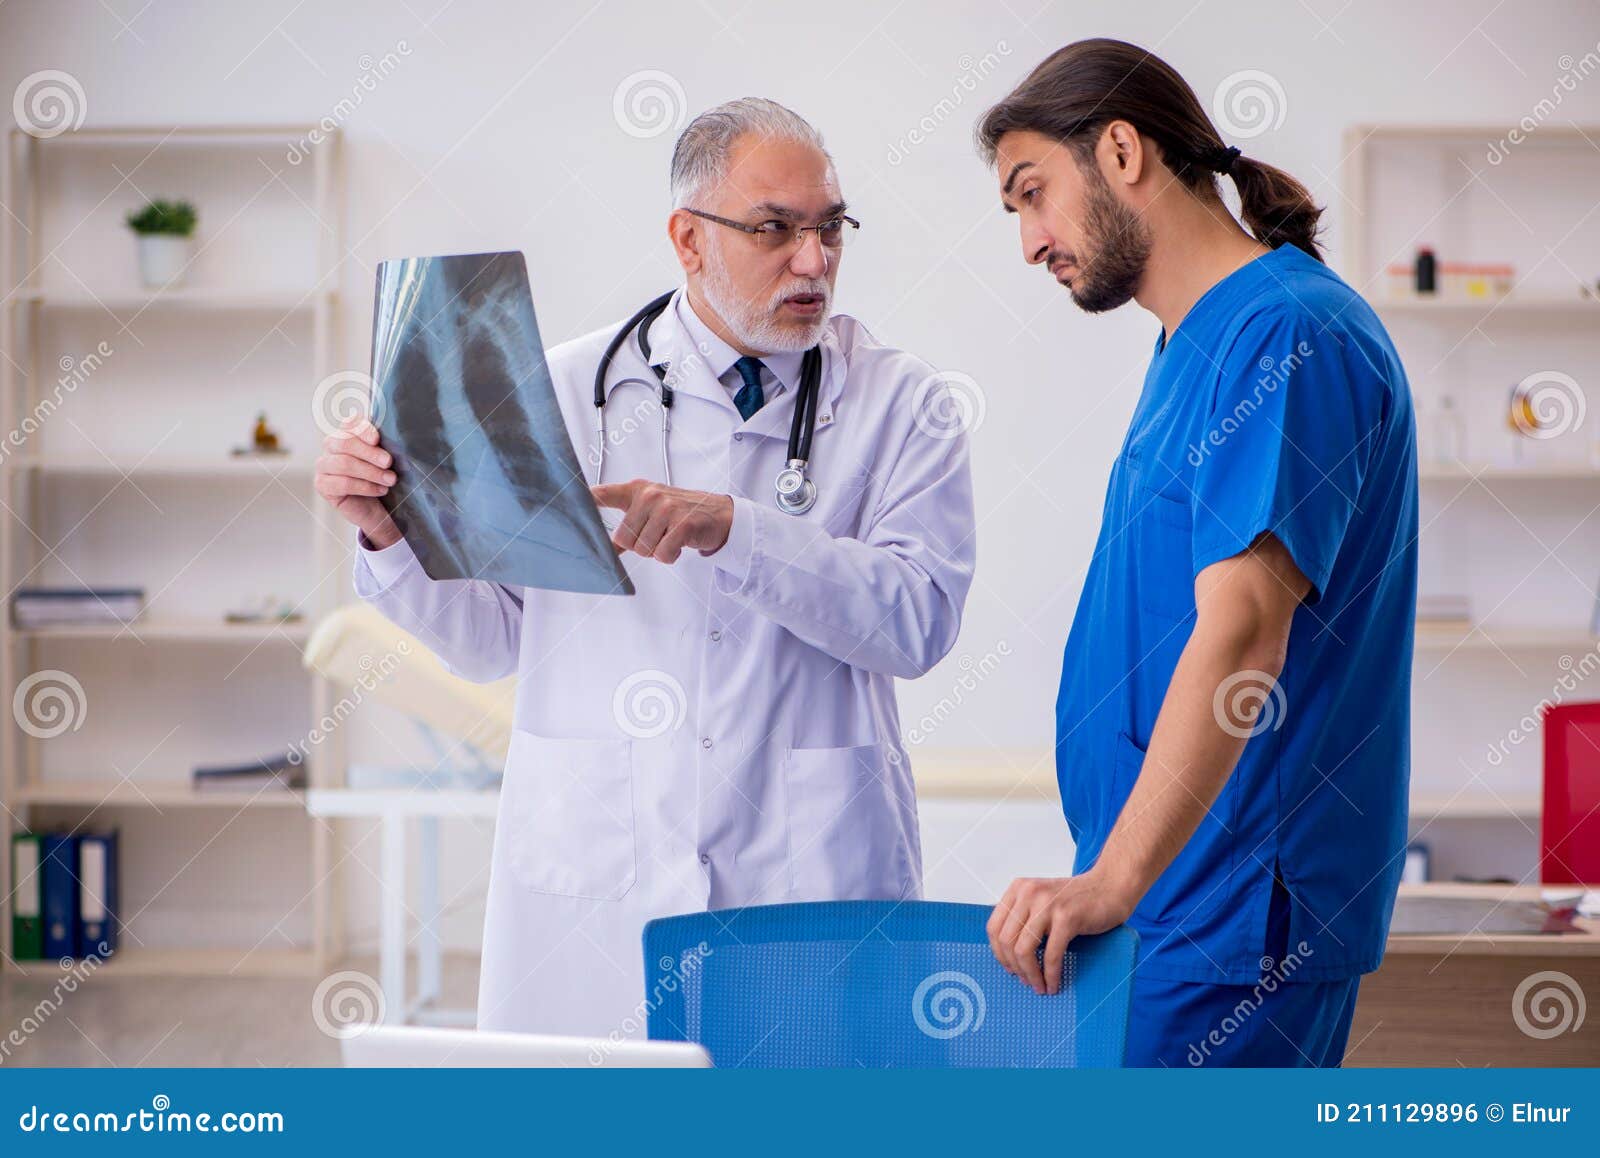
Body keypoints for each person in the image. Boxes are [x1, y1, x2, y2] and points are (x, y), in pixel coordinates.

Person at [315, 98, 976, 1036]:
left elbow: (917, 623)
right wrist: (387, 533)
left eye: (831, 228)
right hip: (599, 880)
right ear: (688, 238)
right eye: (774, 229)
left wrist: (737, 531)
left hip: (814, 871)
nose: (814, 260)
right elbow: (491, 642)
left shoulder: (904, 403)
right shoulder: (553, 390)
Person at [974, 39, 1417, 1067]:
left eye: (1033, 194)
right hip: (1170, 904)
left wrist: (1113, 880)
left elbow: (1244, 629)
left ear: (1121, 150)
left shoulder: (1289, 336)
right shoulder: (1191, 342)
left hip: (1231, 920)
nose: (1031, 242)